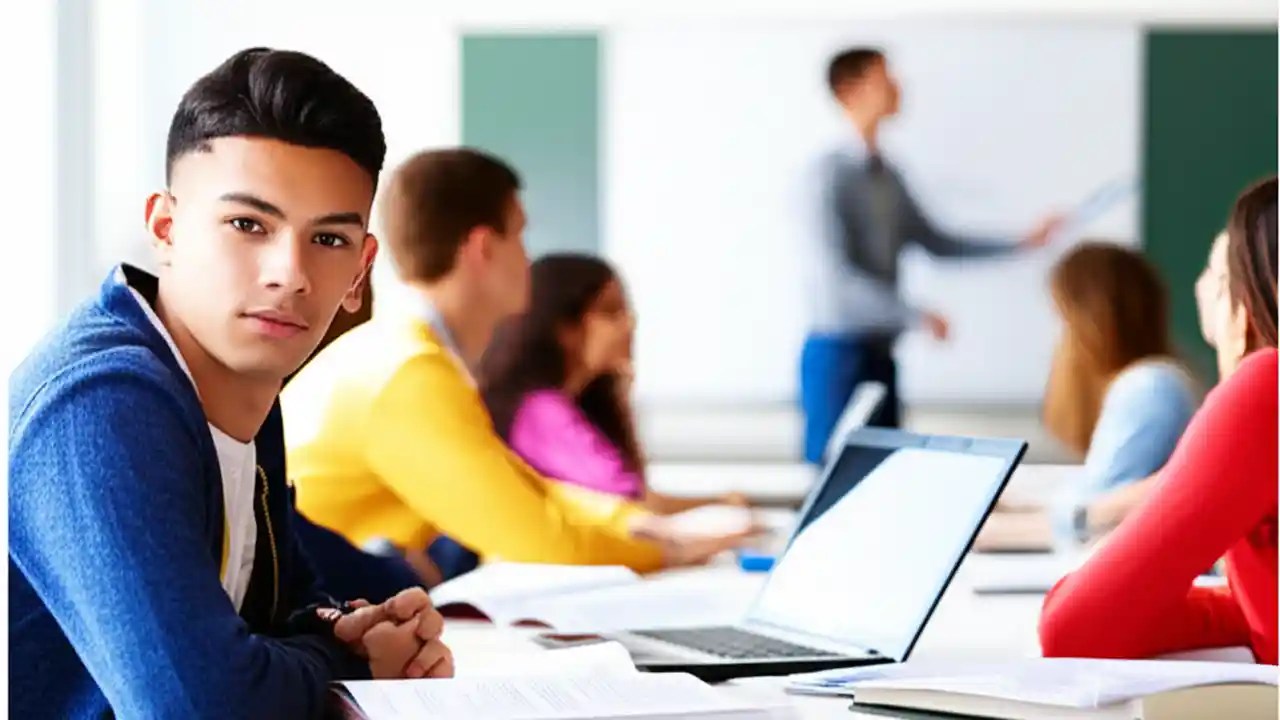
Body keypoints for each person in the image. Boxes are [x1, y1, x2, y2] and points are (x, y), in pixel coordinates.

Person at [9, 48, 452, 719]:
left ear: (361, 271)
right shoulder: (99, 405)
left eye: (327, 241)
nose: (289, 274)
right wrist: (350, 659)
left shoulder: (244, 386)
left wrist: (351, 630)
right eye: (249, 225)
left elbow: (283, 609)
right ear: (165, 228)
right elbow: (197, 704)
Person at [282, 149, 749, 576]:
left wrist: (643, 525)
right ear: (484, 247)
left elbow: (517, 484)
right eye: (521, 236)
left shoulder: (405, 352)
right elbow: (537, 539)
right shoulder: (406, 372)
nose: (529, 261)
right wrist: (671, 550)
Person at [1039, 177, 1278, 663]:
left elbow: (1074, 626)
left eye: (1215, 273)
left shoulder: (1266, 390)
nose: (1198, 289)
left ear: (1246, 304)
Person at [801, 47, 1061, 463]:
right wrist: (913, 314)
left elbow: (936, 241)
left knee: (884, 472)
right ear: (850, 90)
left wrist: (1021, 242)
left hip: (880, 356)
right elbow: (838, 280)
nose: (898, 86)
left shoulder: (890, 175)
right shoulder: (827, 175)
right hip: (839, 355)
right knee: (834, 476)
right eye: (884, 77)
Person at [480, 253, 750, 513]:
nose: (629, 323)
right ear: (565, 329)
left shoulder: (575, 404)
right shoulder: (540, 411)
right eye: (611, 312)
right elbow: (632, 503)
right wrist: (720, 502)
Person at [976, 242, 1199, 551]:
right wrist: (1010, 504)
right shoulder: (1153, 379)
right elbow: (1094, 497)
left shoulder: (1148, 386)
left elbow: (1098, 514)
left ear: (1089, 322)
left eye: (1063, 319)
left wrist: (991, 533)